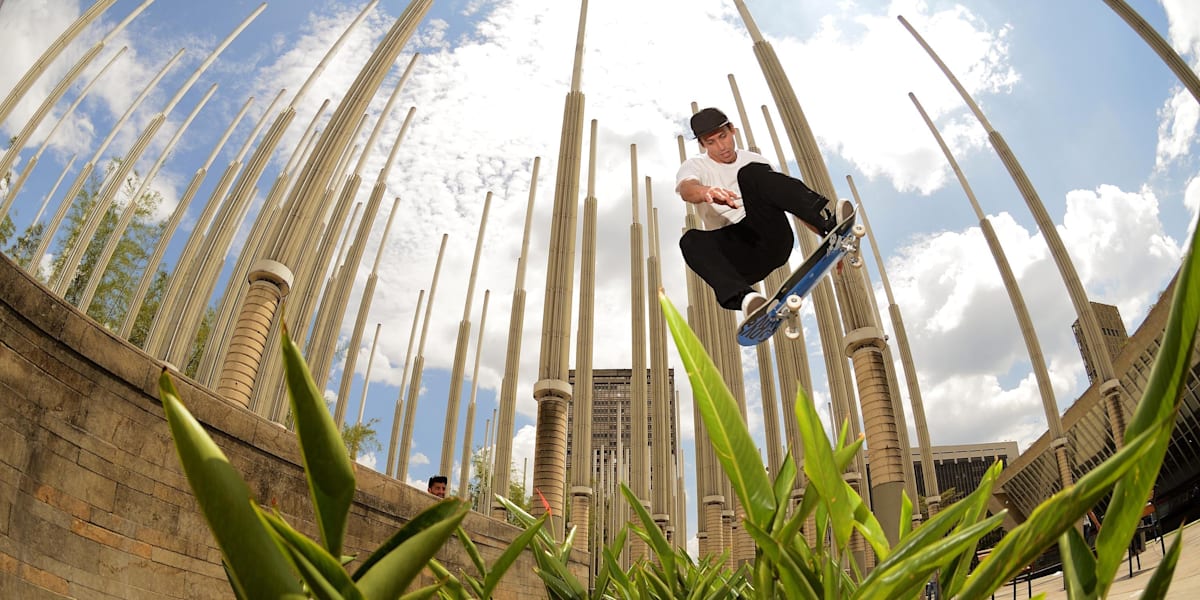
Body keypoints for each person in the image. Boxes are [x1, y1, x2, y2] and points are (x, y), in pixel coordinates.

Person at [676, 107, 852, 315]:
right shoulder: (696, 165)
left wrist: (831, 236)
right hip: (738, 255)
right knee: (690, 240)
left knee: (750, 173)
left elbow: (788, 200)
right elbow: (687, 188)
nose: (721, 147)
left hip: (770, 237)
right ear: (702, 144)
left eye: (723, 137)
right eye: (711, 142)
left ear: (732, 130)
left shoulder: (755, 161)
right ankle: (747, 300)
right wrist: (706, 191)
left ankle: (828, 224)